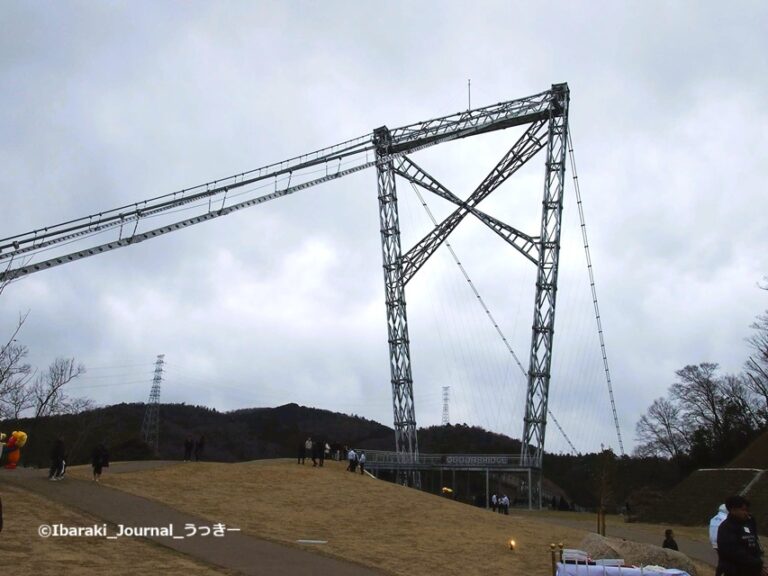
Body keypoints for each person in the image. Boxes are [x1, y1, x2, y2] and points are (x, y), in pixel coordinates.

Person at [717, 495, 767, 576]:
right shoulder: (726, 528)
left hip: (753, 569)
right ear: (733, 510)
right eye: (743, 510)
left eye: (747, 510)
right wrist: (756, 564)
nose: (746, 513)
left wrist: (759, 563)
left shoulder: (749, 522)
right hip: (733, 571)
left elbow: (755, 542)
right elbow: (734, 552)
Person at [710, 503, 728, 576]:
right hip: (722, 543)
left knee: (722, 560)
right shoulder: (725, 519)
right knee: (726, 561)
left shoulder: (714, 518)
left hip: (714, 542)